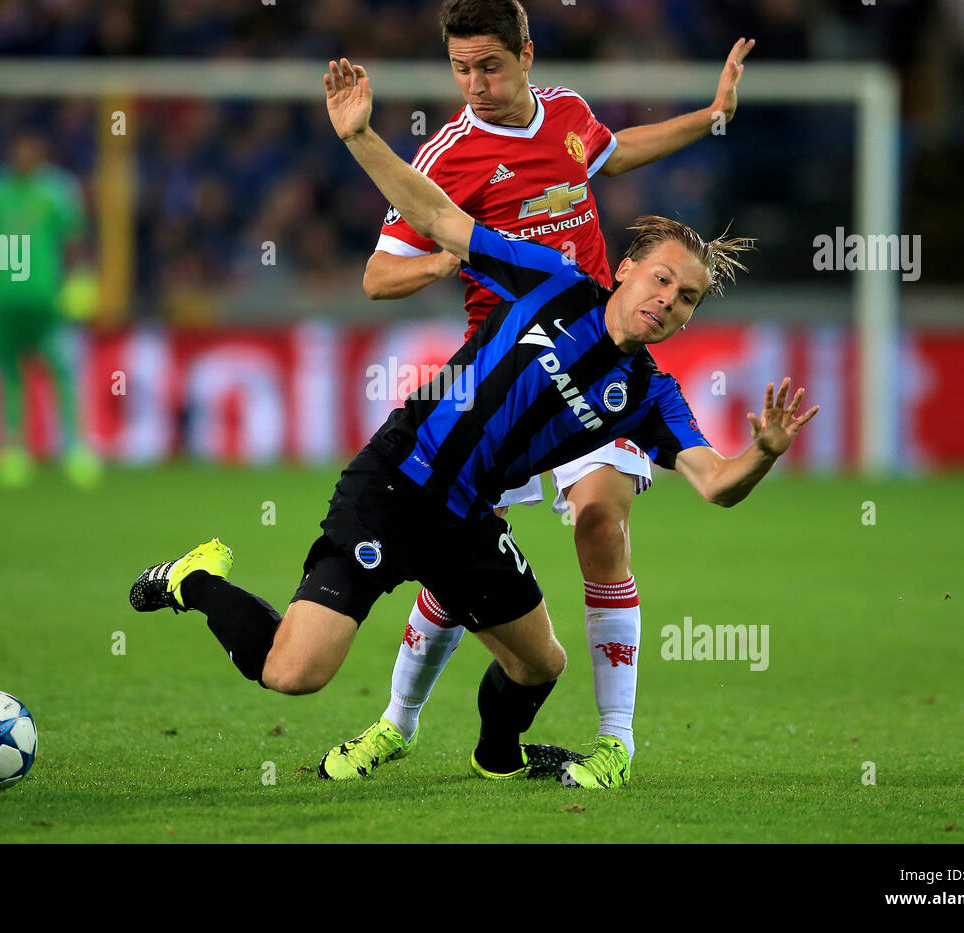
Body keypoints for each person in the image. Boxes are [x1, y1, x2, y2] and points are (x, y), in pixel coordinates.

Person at [125, 56, 818, 785]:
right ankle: (194, 579)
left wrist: (763, 452)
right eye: (662, 279)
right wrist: (359, 137)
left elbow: (716, 483)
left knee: (539, 663)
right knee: (293, 673)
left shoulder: (651, 396)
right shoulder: (551, 278)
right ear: (625, 269)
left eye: (686, 299)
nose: (668, 301)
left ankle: (497, 758)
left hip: (462, 518)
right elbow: (437, 218)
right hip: (395, 483)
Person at [327, 0, 754, 787]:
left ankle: (617, 739)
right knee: (458, 568)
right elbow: (377, 276)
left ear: (526, 55)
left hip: (599, 369)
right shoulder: (447, 156)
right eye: (460, 70)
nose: (474, 86)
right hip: (503, 381)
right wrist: (442, 262)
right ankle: (397, 723)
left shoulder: (565, 113)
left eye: (488, 66)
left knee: (599, 518)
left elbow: (613, 150)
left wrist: (711, 115)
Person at [0, 130, 101, 488]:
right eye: (19, 147)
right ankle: (13, 450)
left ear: (41, 150)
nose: (24, 154)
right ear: (10, 151)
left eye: (31, 147)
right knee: (9, 375)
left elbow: (75, 240)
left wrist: (80, 278)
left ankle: (73, 448)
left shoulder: (58, 190)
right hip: (2, 301)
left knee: (62, 371)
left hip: (48, 302)